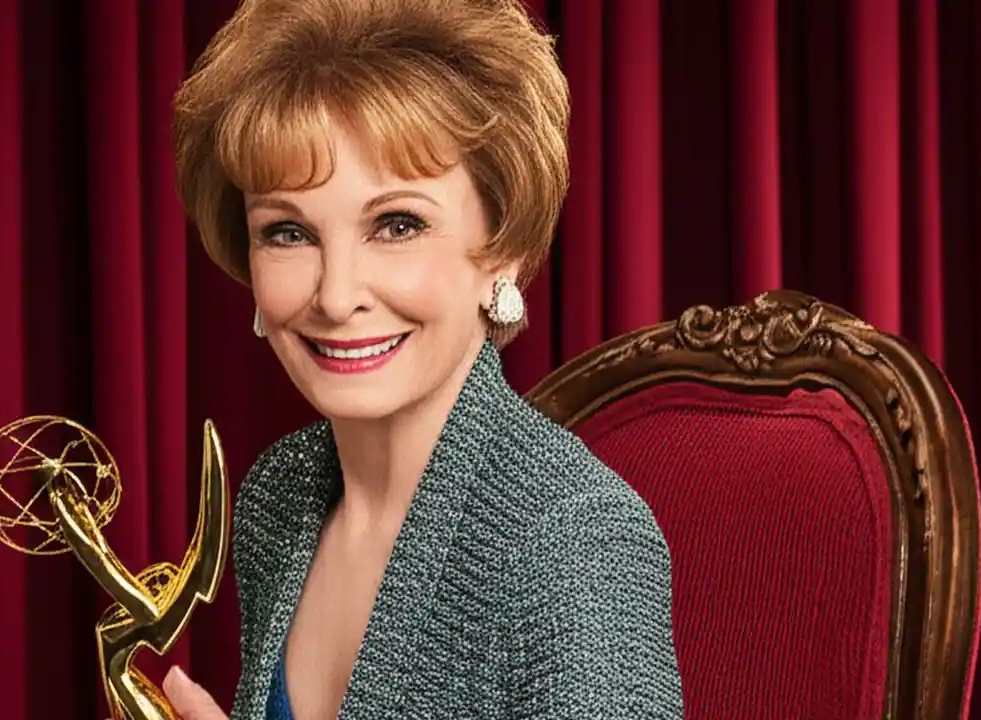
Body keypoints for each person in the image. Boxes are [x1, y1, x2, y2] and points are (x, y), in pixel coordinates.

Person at [159, 0, 684, 717]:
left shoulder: (573, 537)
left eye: (396, 224)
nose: (337, 297)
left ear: (501, 243)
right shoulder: (276, 499)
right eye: (287, 233)